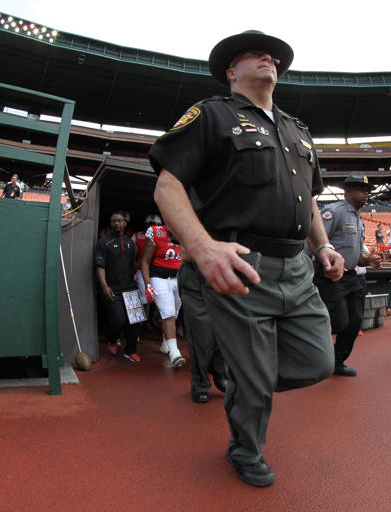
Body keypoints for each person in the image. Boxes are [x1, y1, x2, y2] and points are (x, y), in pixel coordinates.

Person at [148, 30, 345, 487]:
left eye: (272, 56)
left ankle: (245, 382)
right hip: (242, 263)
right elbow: (167, 186)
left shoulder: (298, 129)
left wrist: (325, 246)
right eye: (254, 54)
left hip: (297, 265)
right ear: (231, 72)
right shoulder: (211, 115)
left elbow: (310, 200)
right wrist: (201, 246)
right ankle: (245, 449)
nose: (268, 58)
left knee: (319, 363)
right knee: (256, 381)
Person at [314, 172, 381, 377]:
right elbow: (316, 242)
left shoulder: (359, 219)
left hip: (352, 275)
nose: (366, 194)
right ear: (348, 191)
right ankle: (313, 354)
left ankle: (337, 361)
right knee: (340, 320)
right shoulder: (333, 212)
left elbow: (358, 254)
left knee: (354, 321)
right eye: (362, 190)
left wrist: (368, 261)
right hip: (331, 274)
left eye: (367, 191)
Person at [178, 244, 227, 403]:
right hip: (194, 279)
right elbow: (184, 252)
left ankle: (219, 372)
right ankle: (200, 384)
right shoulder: (190, 218)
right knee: (200, 337)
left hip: (220, 277)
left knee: (224, 335)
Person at [94, 211, 141, 363]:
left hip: (130, 287)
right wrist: (105, 286)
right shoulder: (103, 242)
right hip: (112, 288)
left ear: (125, 223)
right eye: (114, 221)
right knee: (118, 321)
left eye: (120, 221)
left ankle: (130, 351)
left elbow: (131, 265)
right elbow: (100, 266)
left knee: (136, 320)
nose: (117, 223)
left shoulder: (130, 244)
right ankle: (112, 340)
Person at [140, 223, 186, 368]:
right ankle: (174, 351)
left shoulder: (186, 232)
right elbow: (145, 261)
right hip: (159, 277)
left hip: (178, 278)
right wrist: (147, 284)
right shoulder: (156, 232)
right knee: (168, 312)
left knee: (175, 311)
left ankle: (166, 343)